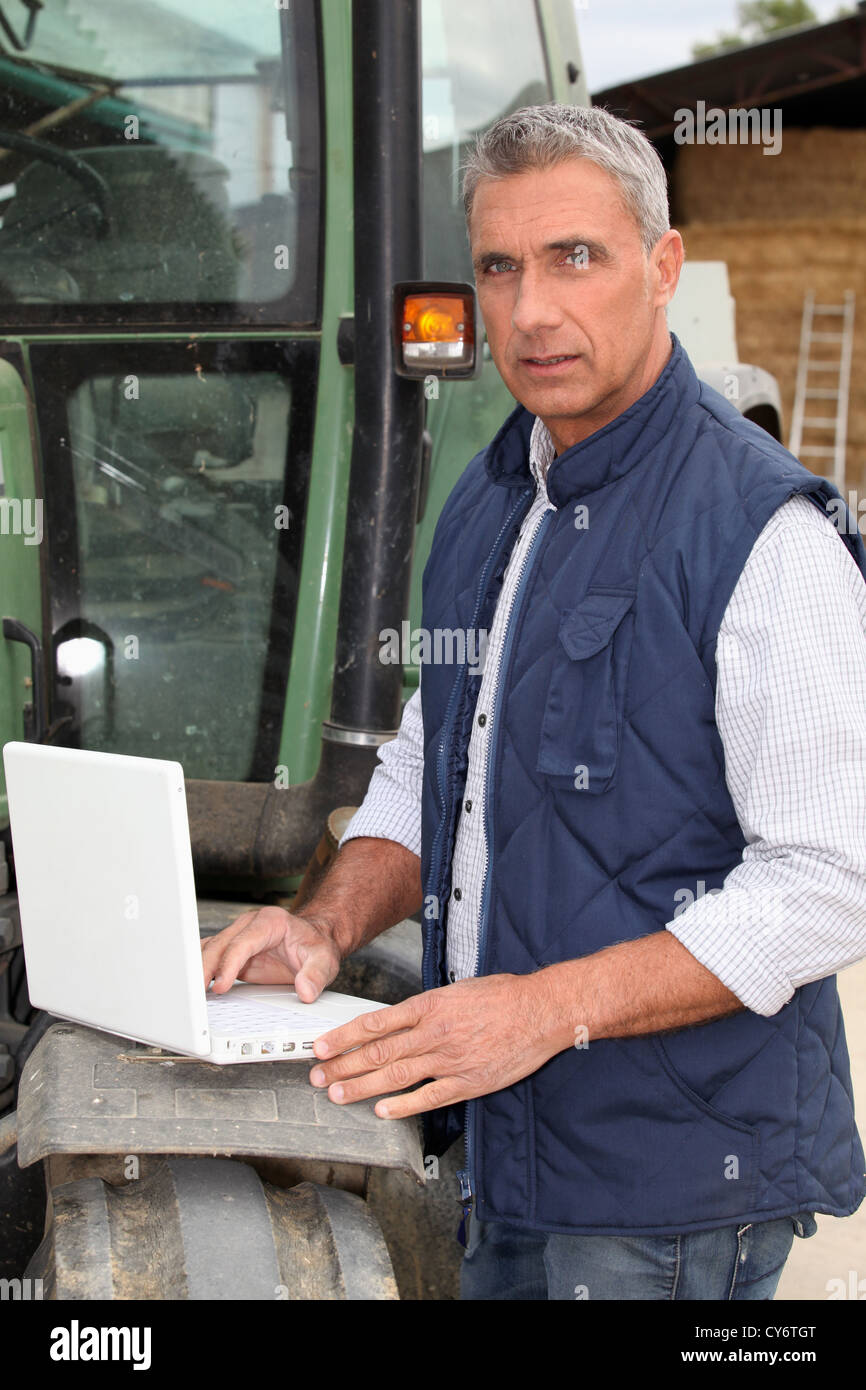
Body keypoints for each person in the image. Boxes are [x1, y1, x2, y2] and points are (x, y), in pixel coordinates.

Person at [202, 104, 866, 1301]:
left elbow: (827, 879)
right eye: (499, 268)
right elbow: (429, 762)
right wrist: (324, 925)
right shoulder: (491, 495)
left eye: (576, 257)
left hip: (664, 1198)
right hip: (502, 1152)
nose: (530, 309)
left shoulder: (760, 533)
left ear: (661, 268)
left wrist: (539, 1012)